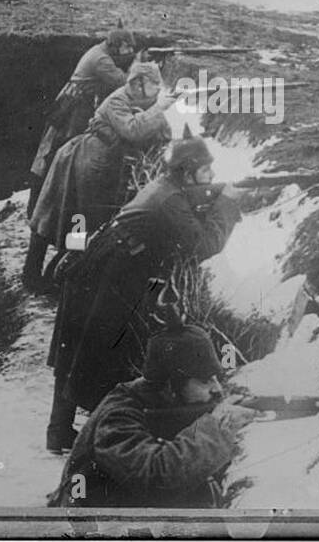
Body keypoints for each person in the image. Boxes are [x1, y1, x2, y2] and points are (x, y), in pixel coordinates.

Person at [44, 130, 243, 452]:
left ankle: (60, 432)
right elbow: (202, 245)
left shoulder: (170, 189)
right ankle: (103, 436)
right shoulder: (171, 198)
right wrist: (228, 206)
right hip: (110, 273)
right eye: (206, 171)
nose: (213, 176)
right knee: (97, 355)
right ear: (188, 172)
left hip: (105, 265)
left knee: (79, 351)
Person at [47, 325, 257, 508]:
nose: (217, 389)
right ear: (171, 386)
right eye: (204, 380)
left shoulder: (164, 403)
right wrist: (217, 428)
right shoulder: (118, 415)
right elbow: (156, 476)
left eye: (216, 378)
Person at [22, 60, 175, 293]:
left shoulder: (143, 101)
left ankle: (62, 276)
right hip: (78, 163)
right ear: (139, 84)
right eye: (155, 85)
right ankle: (33, 278)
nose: (158, 91)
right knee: (54, 218)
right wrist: (159, 109)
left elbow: (162, 132)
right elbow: (132, 130)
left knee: (78, 219)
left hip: (97, 167)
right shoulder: (118, 100)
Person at [26, 28, 137, 217]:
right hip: (73, 109)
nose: (129, 51)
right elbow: (123, 82)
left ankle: (38, 208)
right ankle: (42, 208)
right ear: (119, 46)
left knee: (50, 154)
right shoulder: (101, 59)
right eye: (128, 48)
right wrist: (138, 64)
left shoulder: (99, 51)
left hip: (71, 104)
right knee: (55, 155)